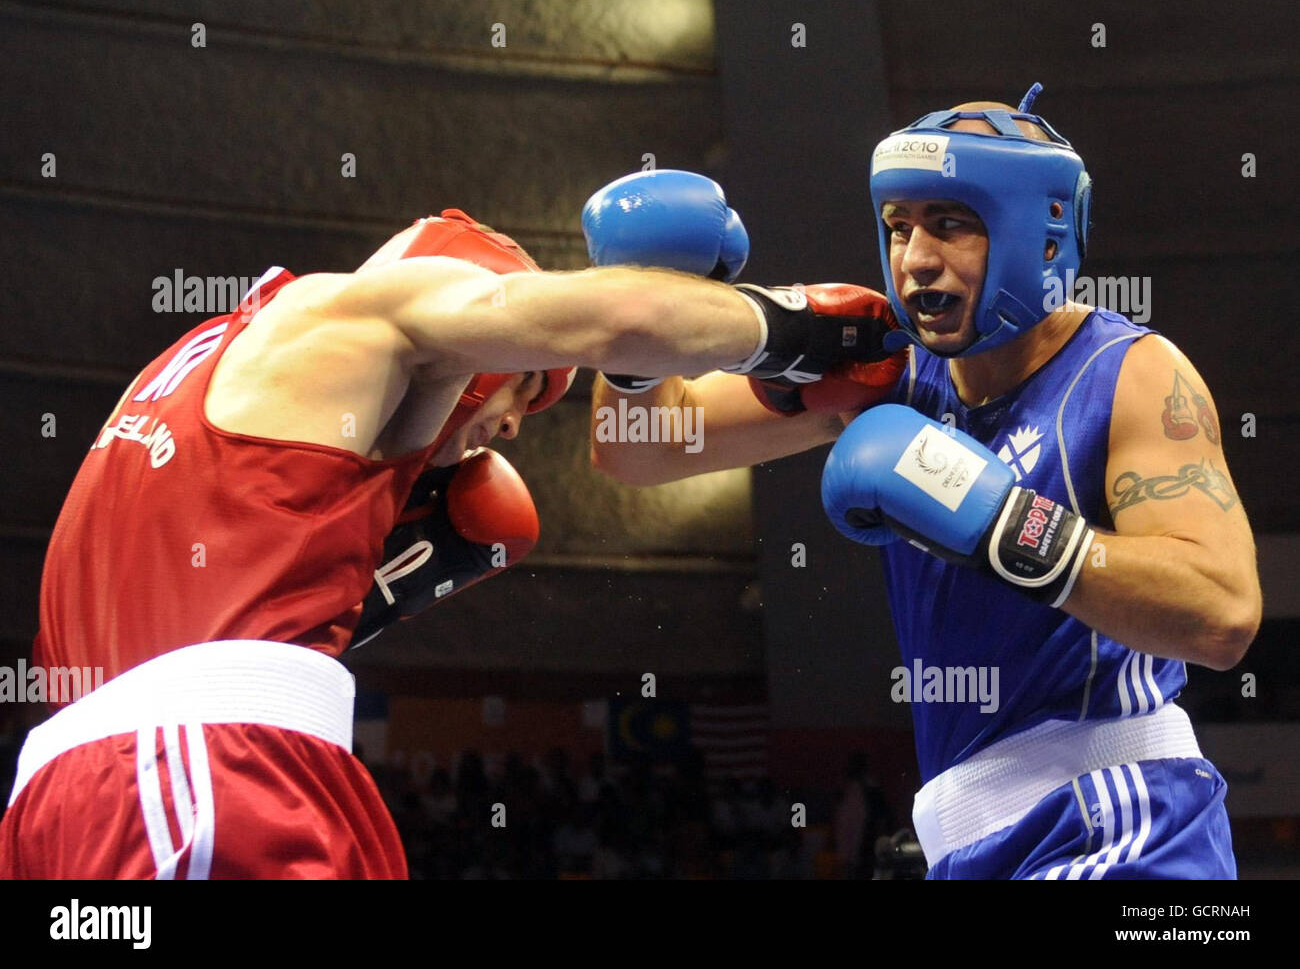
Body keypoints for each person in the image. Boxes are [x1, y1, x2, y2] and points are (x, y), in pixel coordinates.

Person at [0, 206, 898, 880]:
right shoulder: (359, 311)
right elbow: (609, 317)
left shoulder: (203, 360)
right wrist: (802, 332)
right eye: (521, 393)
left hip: (62, 796)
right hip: (195, 769)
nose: (512, 425)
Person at [588, 86, 1261, 879]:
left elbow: (1222, 613)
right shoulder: (886, 373)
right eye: (899, 227)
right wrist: (640, 311)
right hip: (970, 838)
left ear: (1041, 238)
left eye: (950, 223)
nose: (913, 259)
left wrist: (1002, 523)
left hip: (1117, 820)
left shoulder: (1129, 374)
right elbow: (641, 450)